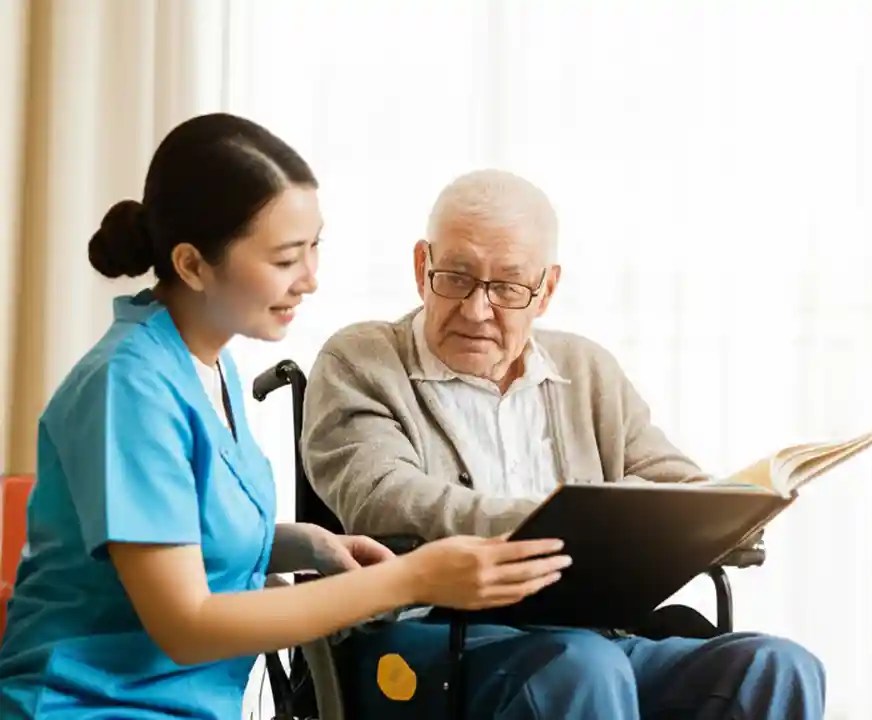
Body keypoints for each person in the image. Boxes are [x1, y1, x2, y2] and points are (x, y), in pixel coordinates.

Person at [0, 115, 570, 720]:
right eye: (284, 259)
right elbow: (186, 624)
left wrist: (303, 545)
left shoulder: (204, 367)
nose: (311, 280)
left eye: (315, 247)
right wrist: (413, 581)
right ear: (193, 265)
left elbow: (178, 539)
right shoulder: (130, 388)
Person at [301, 169, 826, 718]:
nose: (477, 310)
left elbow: (674, 480)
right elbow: (386, 497)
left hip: (591, 637)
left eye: (506, 287)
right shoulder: (360, 361)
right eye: (455, 277)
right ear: (420, 266)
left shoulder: (585, 368)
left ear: (546, 289)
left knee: (778, 667)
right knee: (582, 667)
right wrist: (557, 524)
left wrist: (738, 509)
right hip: (425, 637)